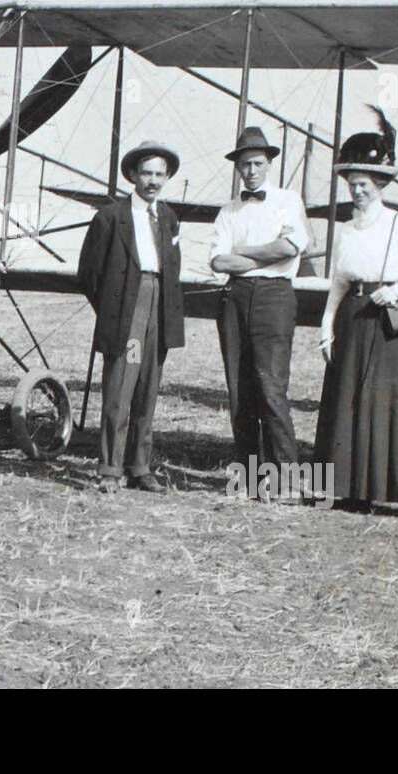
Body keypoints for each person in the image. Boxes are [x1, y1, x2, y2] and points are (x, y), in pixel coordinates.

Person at [315, 107, 398, 514]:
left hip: (385, 319)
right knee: (346, 400)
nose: (358, 191)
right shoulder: (346, 230)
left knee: (389, 400)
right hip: (351, 317)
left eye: (365, 184)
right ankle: (351, 491)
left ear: (380, 184)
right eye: (353, 184)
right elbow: (337, 283)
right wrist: (325, 326)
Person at [77, 141, 185, 494]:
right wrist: (115, 308)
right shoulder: (111, 217)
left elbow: (174, 265)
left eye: (159, 174)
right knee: (122, 388)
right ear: (134, 176)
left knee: (148, 388)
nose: (153, 180)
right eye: (147, 173)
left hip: (158, 305)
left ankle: (140, 466)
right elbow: (89, 273)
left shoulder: (167, 218)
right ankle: (110, 469)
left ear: (166, 178)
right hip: (129, 310)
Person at [209, 126, 311, 500]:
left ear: (268, 165)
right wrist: (261, 254)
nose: (251, 170)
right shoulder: (228, 210)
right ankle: (248, 478)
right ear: (236, 167)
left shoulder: (287, 200)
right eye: (244, 164)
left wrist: (245, 255)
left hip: (274, 297)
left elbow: (291, 248)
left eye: (257, 163)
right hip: (235, 297)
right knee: (240, 389)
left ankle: (287, 480)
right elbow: (218, 259)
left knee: (271, 387)